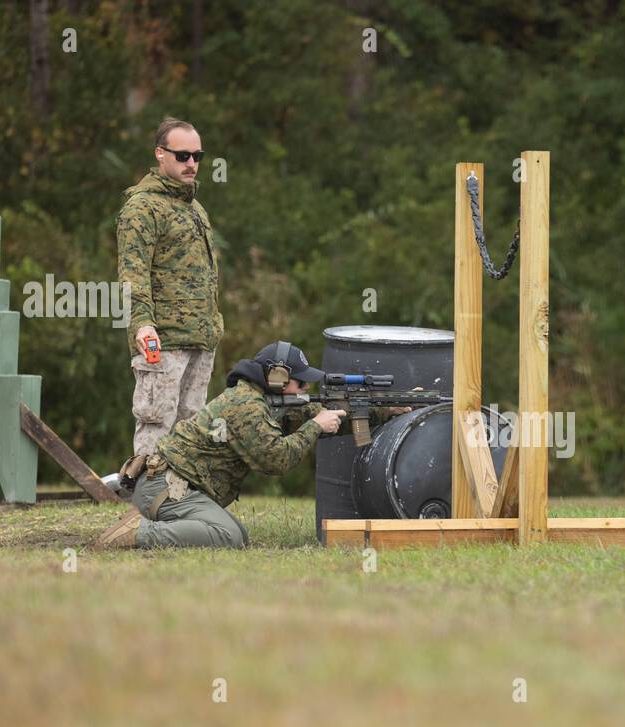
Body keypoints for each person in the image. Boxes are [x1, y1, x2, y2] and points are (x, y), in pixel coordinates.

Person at [92, 342, 410, 549]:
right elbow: (277, 460)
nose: (305, 387)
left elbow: (320, 413)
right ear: (277, 378)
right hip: (169, 488)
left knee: (237, 536)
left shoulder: (262, 400)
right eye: (300, 381)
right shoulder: (247, 409)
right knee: (228, 536)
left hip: (174, 486)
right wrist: (315, 427)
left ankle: (152, 524)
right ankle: (139, 533)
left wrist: (383, 411)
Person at [117, 115, 222, 456]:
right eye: (182, 156)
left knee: (190, 428)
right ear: (160, 154)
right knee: (156, 423)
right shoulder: (142, 207)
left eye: (197, 156)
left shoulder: (196, 208)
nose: (192, 163)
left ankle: (179, 505)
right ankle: (150, 504)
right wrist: (142, 324)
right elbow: (132, 274)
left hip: (199, 336)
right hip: (164, 340)